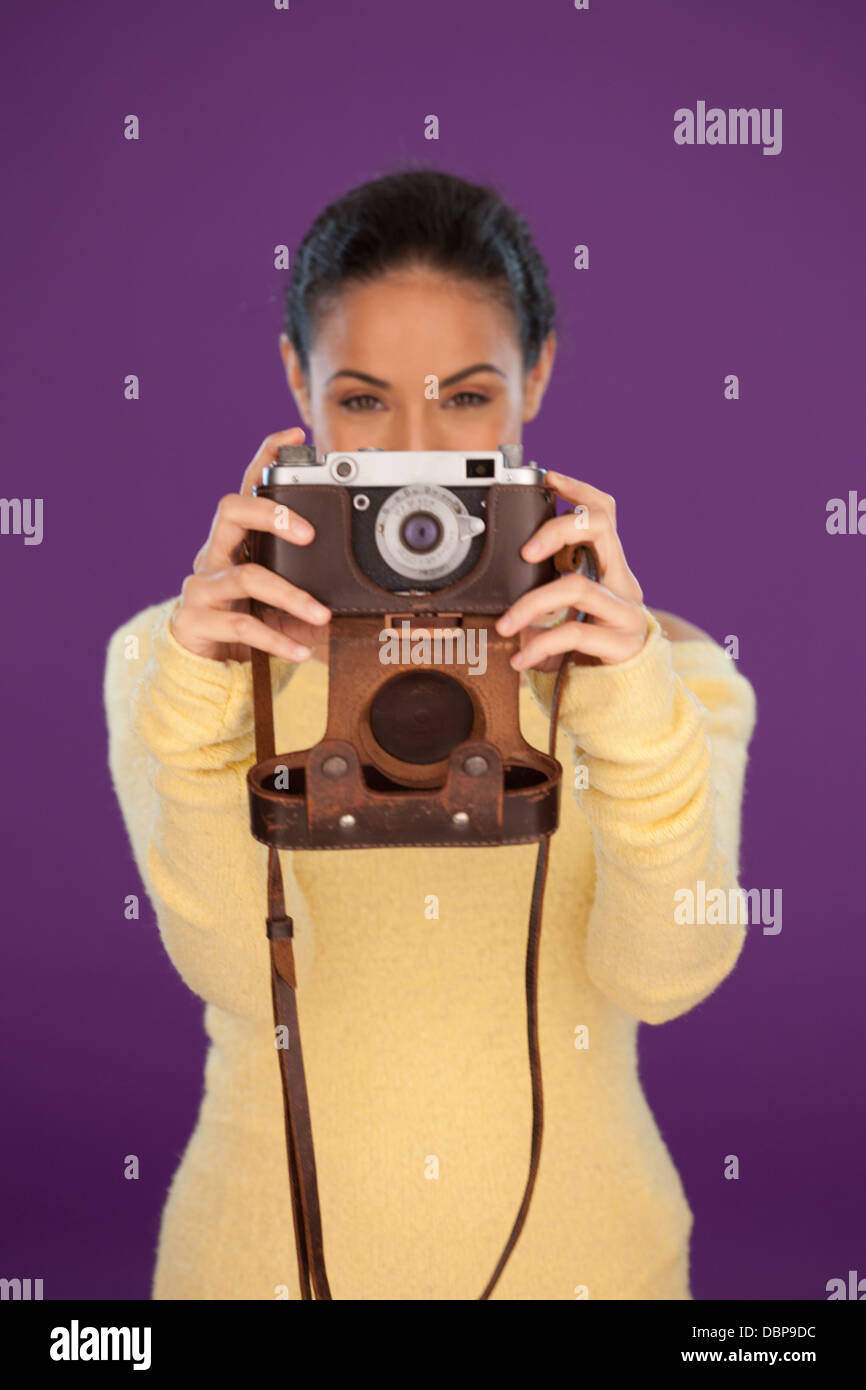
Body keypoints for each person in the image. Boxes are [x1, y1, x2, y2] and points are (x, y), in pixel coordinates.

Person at [103, 166, 757, 1300]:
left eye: (464, 399)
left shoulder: (665, 670)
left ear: (536, 376)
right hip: (260, 1265)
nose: (412, 458)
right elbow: (249, 983)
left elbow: (666, 976)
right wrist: (202, 707)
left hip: (590, 1268)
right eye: (361, 401)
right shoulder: (175, 662)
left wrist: (629, 703)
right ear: (295, 381)